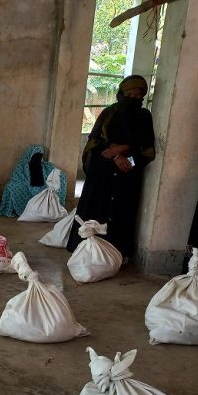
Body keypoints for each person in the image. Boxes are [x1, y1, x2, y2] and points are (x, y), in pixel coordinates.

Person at [67, 75, 156, 259]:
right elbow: (94, 142)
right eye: (128, 95)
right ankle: (86, 250)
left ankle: (115, 254)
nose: (132, 98)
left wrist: (125, 151)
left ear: (142, 97)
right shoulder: (109, 114)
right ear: (121, 93)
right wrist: (115, 155)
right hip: (103, 171)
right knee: (97, 208)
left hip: (128, 171)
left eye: (137, 96)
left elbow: (147, 149)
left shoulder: (144, 117)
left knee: (121, 213)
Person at [0, 144, 67, 217]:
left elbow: (57, 173)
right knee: (10, 187)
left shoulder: (46, 166)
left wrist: (59, 177)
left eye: (39, 156)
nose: (37, 158)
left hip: (43, 188)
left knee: (54, 190)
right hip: (25, 187)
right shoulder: (22, 166)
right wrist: (25, 184)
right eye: (35, 156)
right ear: (30, 155)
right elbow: (16, 178)